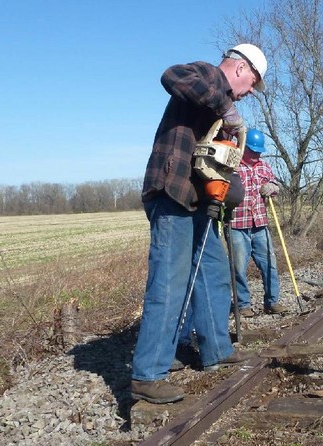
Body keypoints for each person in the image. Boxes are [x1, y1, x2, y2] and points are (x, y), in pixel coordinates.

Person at [131, 43, 268, 404]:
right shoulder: (207, 76)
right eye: (252, 82)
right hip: (172, 194)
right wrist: (226, 107)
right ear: (240, 69)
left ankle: (216, 351)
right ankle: (148, 375)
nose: (250, 91)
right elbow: (171, 75)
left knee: (213, 271)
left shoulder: (214, 109)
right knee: (169, 283)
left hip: (195, 202)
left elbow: (215, 162)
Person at [226, 128, 288, 318]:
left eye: (258, 152)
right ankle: (243, 305)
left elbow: (277, 186)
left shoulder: (264, 166)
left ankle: (272, 302)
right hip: (237, 226)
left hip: (260, 225)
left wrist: (272, 187)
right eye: (253, 151)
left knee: (270, 264)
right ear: (243, 148)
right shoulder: (232, 165)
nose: (256, 155)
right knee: (238, 268)